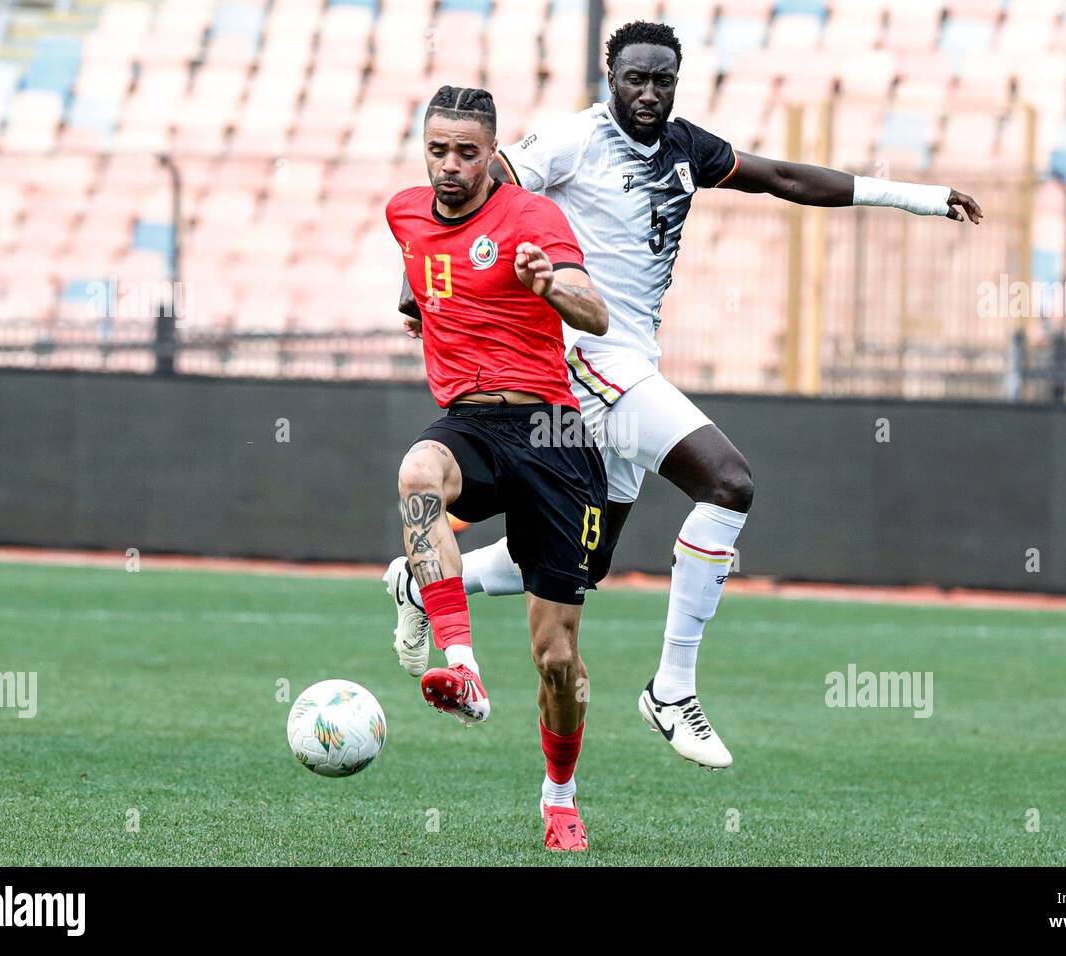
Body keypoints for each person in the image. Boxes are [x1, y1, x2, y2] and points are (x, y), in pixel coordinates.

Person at [386, 21, 984, 771]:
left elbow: (783, 178)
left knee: (584, 563)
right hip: (587, 357)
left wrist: (916, 197)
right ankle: (671, 690)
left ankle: (424, 582)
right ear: (610, 77)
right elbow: (461, 197)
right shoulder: (574, 140)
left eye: (661, 79)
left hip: (631, 358)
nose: (647, 92)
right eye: (633, 78)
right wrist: (418, 294)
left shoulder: (684, 148)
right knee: (728, 482)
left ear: (676, 82)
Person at [384, 85, 610, 851]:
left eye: (467, 152)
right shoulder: (404, 214)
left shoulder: (531, 217)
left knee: (557, 658)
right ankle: (463, 665)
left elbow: (595, 313)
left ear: (491, 153)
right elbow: (422, 280)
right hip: (471, 423)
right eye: (438, 150)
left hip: (551, 429)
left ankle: (559, 797)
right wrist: (419, 311)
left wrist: (550, 286)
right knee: (419, 472)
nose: (450, 165)